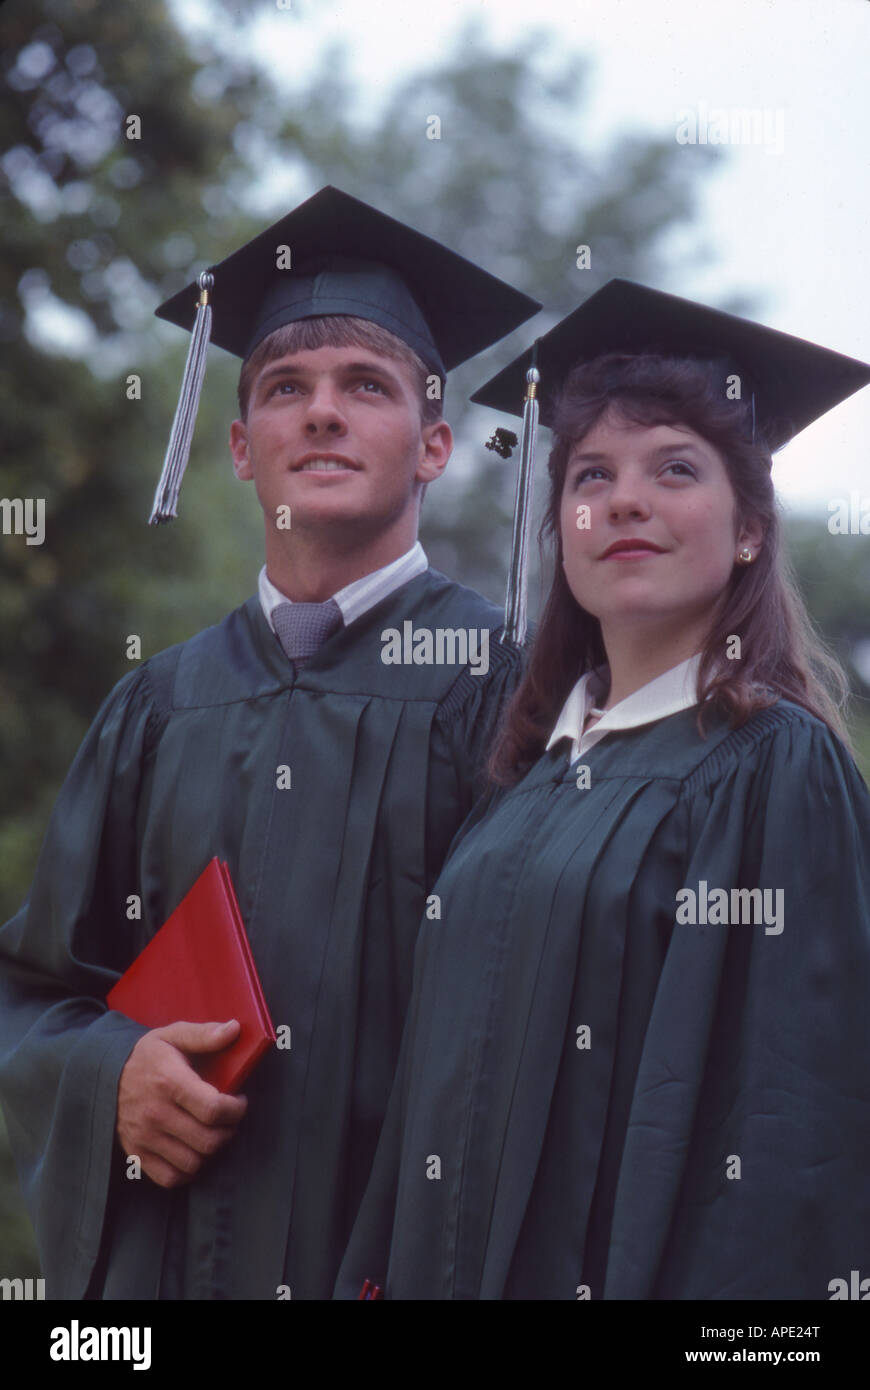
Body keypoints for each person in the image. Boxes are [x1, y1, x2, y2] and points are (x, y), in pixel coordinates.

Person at [0, 186, 540, 1300]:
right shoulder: (158, 707)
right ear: (242, 448)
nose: (322, 414)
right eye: (287, 389)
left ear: (435, 443)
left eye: (366, 387)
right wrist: (110, 1075)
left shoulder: (513, 690)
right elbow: (35, 988)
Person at [335, 279, 870, 1300]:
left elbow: (791, 1138)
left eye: (675, 468)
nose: (625, 499)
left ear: (750, 527)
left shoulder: (769, 768)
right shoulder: (523, 776)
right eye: (592, 474)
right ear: (563, 531)